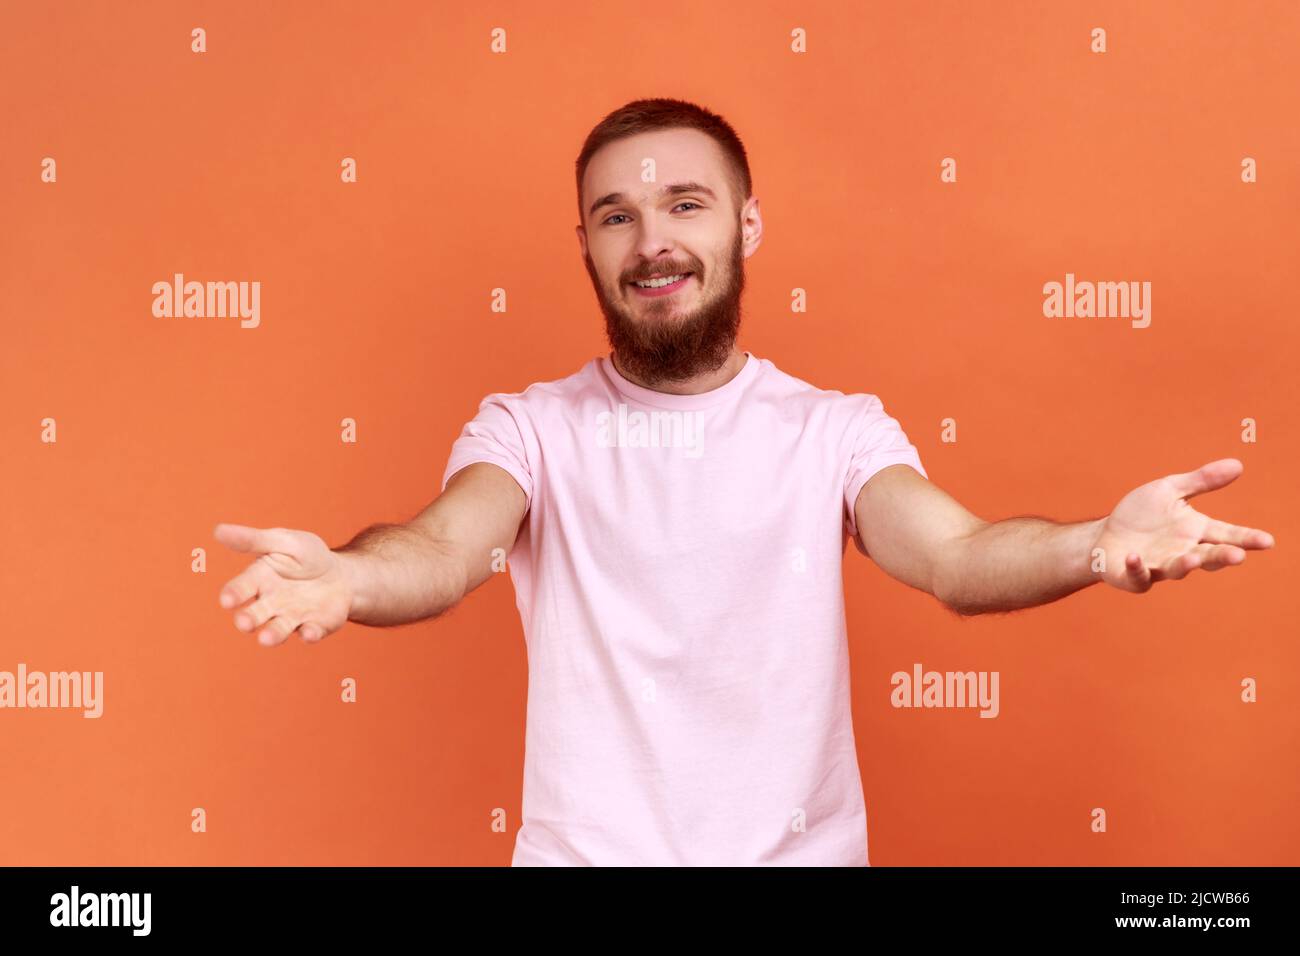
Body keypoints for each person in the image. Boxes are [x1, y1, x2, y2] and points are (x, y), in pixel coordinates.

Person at [214, 98, 1275, 866]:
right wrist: (348, 576)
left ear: (745, 225)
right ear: (583, 243)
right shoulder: (530, 430)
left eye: (685, 203)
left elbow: (952, 556)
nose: (653, 240)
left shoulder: (833, 432)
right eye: (618, 216)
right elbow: (446, 548)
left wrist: (1098, 541)